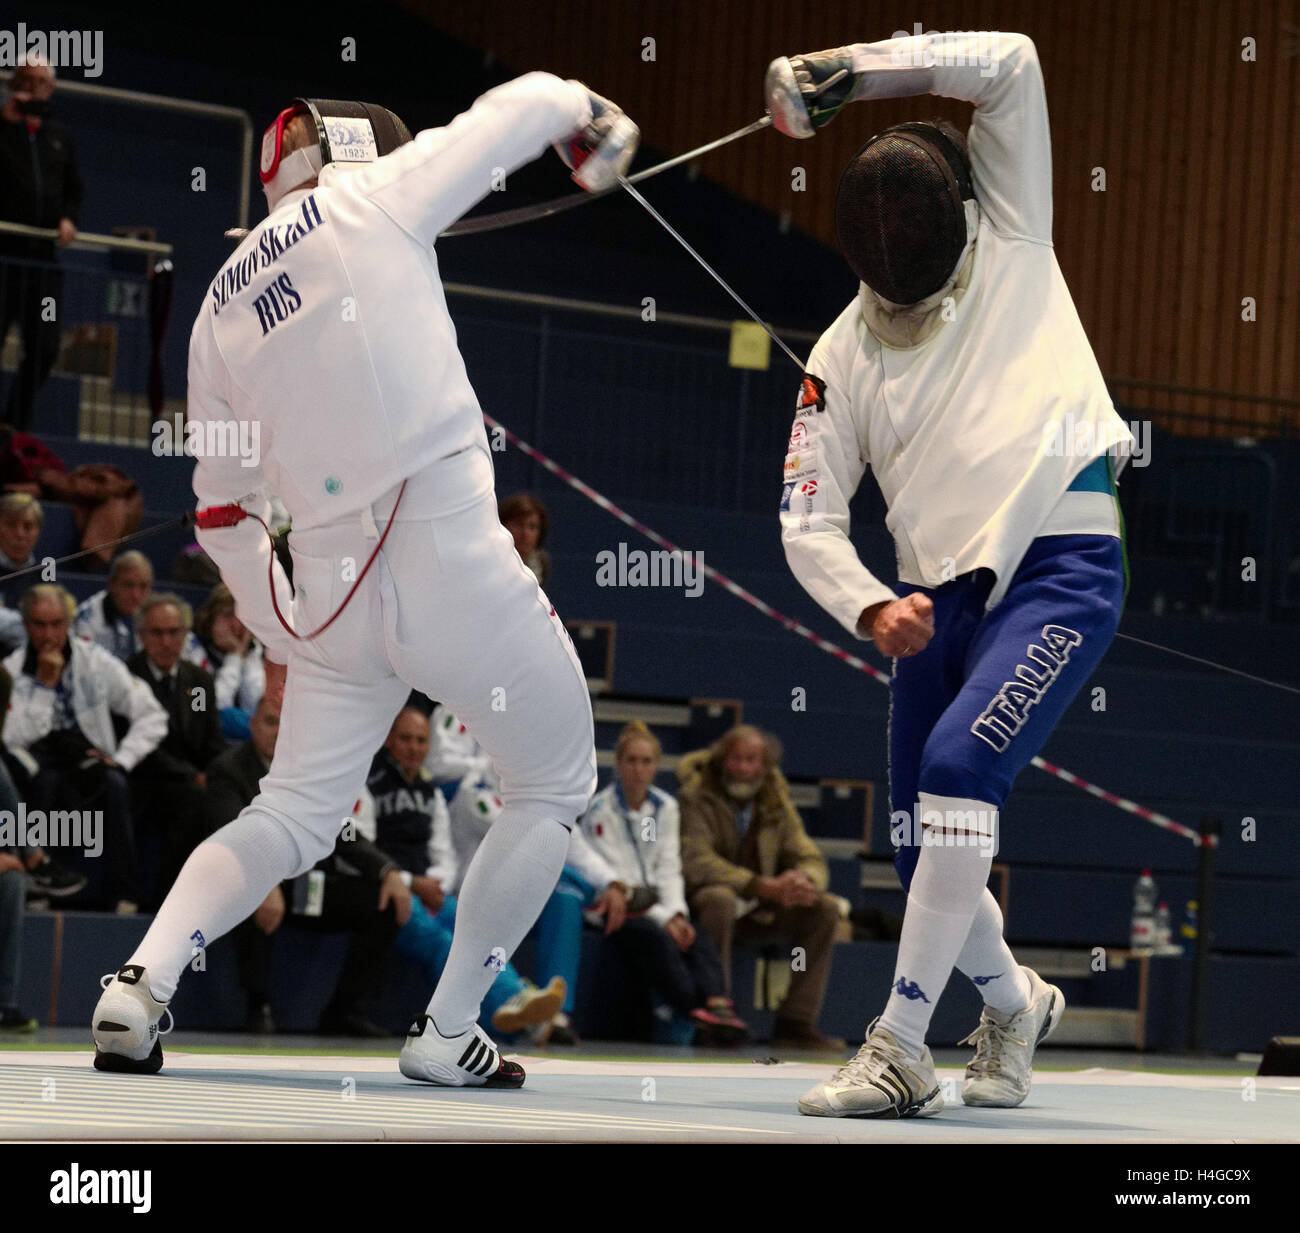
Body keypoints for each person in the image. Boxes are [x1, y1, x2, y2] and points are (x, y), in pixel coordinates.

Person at [91, 79, 638, 1088]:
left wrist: (279, 623)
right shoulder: (374, 197)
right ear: (356, 153)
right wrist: (585, 112)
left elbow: (220, 511)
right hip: (451, 563)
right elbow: (512, 108)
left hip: (332, 591)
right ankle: (447, 1030)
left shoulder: (216, 310)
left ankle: (136, 985)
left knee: (292, 812)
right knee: (553, 782)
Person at [765, 30, 1131, 1117]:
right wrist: (870, 602)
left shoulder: (1014, 239)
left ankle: (900, 1046)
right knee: (923, 830)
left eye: (916, 209)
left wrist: (846, 70)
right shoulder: (840, 354)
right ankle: (1013, 1003)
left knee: (961, 771)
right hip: (933, 604)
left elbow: (1014, 59)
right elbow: (805, 519)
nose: (899, 229)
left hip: (1061, 567)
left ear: (961, 208)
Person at [678, 724, 844, 1052]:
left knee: (824, 908)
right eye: (736, 759)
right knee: (719, 899)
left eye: (751, 760)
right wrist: (758, 885)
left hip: (762, 908)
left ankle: (795, 1023)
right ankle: (718, 1015)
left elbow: (807, 853)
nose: (742, 768)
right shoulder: (696, 794)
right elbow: (696, 861)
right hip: (709, 908)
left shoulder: (775, 799)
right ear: (722, 760)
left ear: (764, 765)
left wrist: (803, 882)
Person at [580, 721, 747, 1044]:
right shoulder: (602, 809)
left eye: (646, 761)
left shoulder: (665, 807)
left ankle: (718, 1004)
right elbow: (622, 879)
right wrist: (663, 918)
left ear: (657, 765)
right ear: (619, 764)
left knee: (696, 935)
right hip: (616, 906)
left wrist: (676, 915)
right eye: (631, 761)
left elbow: (669, 868)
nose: (638, 770)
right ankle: (691, 1008)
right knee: (654, 936)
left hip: (656, 903)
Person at [3, 584, 167, 911]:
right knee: (43, 779)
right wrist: (45, 687)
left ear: (68, 624)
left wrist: (122, 759)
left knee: (115, 782)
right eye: (39, 624)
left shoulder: (95, 661)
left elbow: (152, 714)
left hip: (84, 760)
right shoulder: (11, 669)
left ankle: (123, 895)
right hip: (36, 761)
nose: (48, 633)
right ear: (26, 626)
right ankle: (38, 889)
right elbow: (10, 738)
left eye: (56, 624)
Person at [127, 594, 226, 906]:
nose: (167, 641)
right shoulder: (126, 677)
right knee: (193, 801)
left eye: (174, 632)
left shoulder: (198, 680)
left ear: (186, 635)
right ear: (141, 635)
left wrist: (218, 773)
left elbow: (212, 741)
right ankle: (168, 901)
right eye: (157, 633)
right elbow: (139, 746)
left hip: (191, 781)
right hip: (145, 781)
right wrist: (190, 775)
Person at [0, 56, 83, 429]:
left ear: (50, 89)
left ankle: (11, 427)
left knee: (45, 347)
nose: (32, 89)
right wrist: (7, 123)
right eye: (25, 81)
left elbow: (73, 189)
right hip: (4, 257)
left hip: (44, 264)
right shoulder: (2, 127)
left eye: (40, 83)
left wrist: (68, 218)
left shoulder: (59, 136)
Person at [187, 582, 264, 740]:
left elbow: (256, 705)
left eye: (242, 616)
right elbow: (213, 710)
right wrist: (234, 657)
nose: (236, 625)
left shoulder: (253, 650)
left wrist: (244, 655)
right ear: (211, 618)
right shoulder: (192, 650)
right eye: (228, 615)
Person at [74, 551, 154, 660]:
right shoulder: (88, 620)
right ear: (112, 584)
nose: (136, 595)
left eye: (143, 586)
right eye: (128, 585)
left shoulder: (155, 617)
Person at [498, 493, 551, 587]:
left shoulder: (541, 562)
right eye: (518, 524)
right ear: (502, 525)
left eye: (532, 527)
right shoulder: (489, 558)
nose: (525, 533)